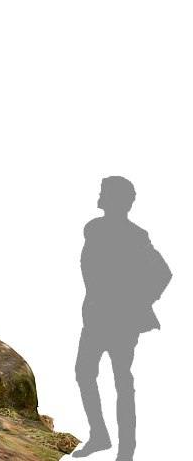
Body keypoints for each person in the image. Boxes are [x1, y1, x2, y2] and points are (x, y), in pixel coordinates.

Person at [75, 176, 171, 459]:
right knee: (85, 373)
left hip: (119, 322)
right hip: (95, 318)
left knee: (121, 382)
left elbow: (163, 273)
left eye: (104, 192)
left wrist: (140, 301)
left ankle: (126, 452)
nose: (100, 196)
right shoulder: (93, 229)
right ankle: (100, 436)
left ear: (117, 200)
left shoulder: (136, 236)